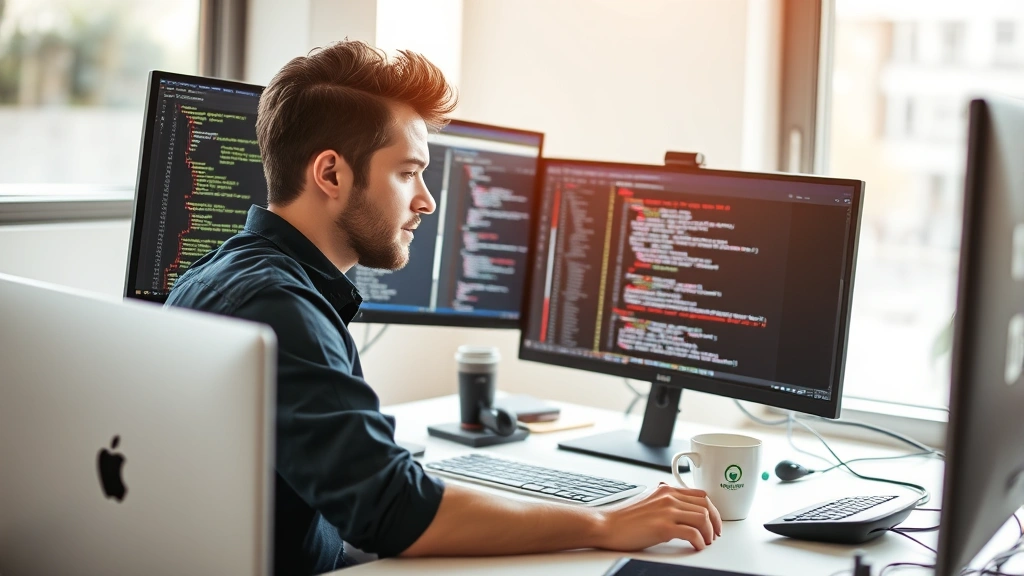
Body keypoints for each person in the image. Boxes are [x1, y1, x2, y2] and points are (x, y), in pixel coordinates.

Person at [166, 40, 722, 576]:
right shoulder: (280, 308)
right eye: (407, 172)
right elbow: (393, 513)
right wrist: (602, 522)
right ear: (331, 173)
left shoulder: (221, 275)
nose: (426, 199)